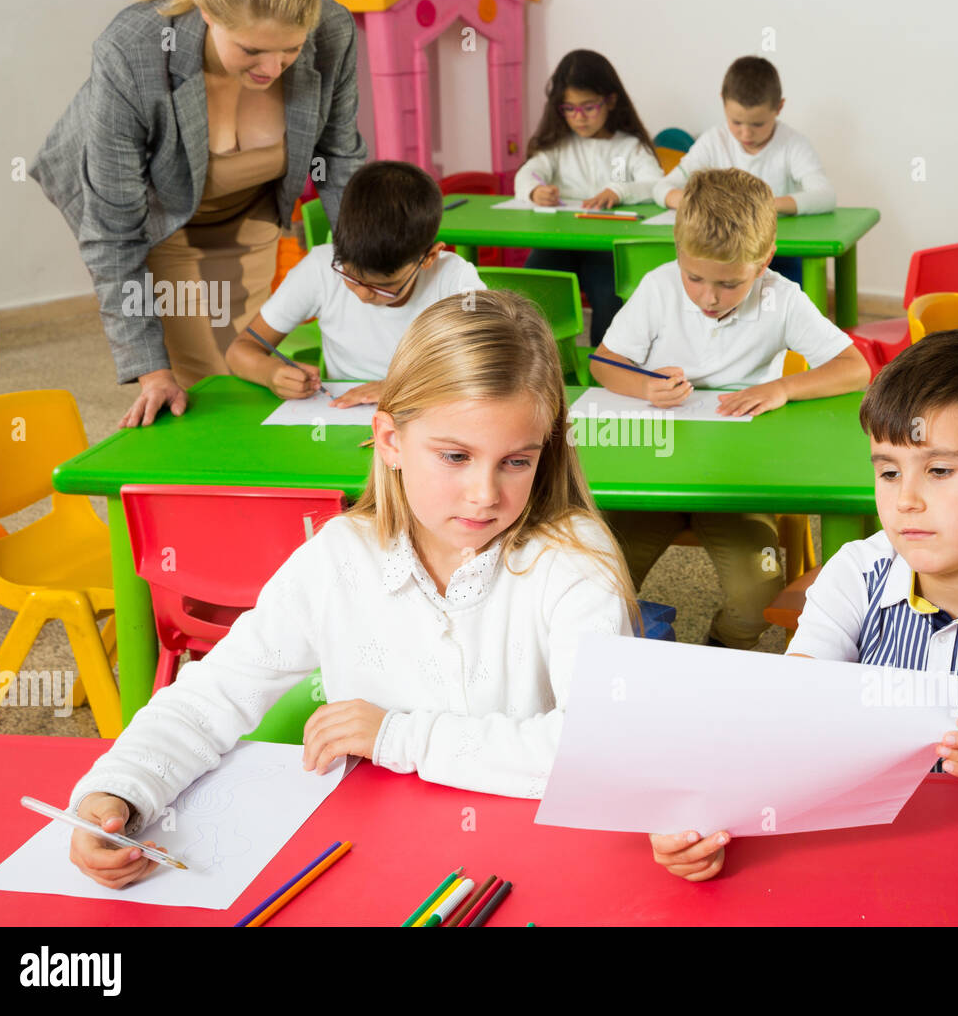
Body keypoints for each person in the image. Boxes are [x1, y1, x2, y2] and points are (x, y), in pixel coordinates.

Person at [66, 291, 637, 888]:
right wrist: (121, 789)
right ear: (390, 440)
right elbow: (212, 694)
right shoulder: (339, 556)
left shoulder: (574, 558)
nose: (483, 493)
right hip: (376, 864)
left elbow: (595, 748)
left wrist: (395, 735)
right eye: (454, 455)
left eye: (515, 462)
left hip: (536, 867)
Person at [652, 329, 958, 881]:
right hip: (867, 862)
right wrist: (705, 818)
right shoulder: (856, 573)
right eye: (889, 471)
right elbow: (786, 716)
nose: (905, 499)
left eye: (939, 470)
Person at [30, 0, 367, 428]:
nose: (272, 70)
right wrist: (150, 371)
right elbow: (114, 231)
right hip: (163, 219)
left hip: (252, 214)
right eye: (251, 49)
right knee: (203, 383)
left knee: (250, 368)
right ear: (208, 12)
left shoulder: (332, 28)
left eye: (290, 50)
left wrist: (368, 261)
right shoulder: (135, 51)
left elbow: (340, 161)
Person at [591, 168, 868, 651]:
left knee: (760, 591)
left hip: (739, 489)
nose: (708, 297)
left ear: (764, 262)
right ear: (677, 252)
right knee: (592, 577)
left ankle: (716, 651)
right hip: (653, 478)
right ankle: (622, 658)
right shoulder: (659, 288)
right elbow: (604, 364)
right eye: (694, 277)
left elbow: (854, 368)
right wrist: (645, 387)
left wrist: (784, 386)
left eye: (729, 283)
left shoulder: (781, 299)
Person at [226, 161, 483, 408]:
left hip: (430, 417)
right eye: (349, 276)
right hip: (344, 418)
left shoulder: (454, 279)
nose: (362, 293)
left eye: (383, 286)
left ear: (428, 257)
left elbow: (493, 362)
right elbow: (241, 350)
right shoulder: (320, 268)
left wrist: (400, 388)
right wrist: (271, 373)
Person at [514, 49, 663, 344]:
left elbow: (656, 184)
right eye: (569, 109)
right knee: (531, 290)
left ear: (610, 101)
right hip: (559, 243)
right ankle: (541, 361)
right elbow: (526, 173)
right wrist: (535, 190)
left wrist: (618, 190)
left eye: (588, 107)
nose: (578, 118)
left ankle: (604, 366)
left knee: (610, 297)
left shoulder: (630, 147)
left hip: (607, 248)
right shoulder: (557, 146)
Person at [652, 56, 834, 284]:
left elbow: (825, 195)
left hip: (780, 255)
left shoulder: (792, 144)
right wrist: (699, 204)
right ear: (723, 103)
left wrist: (759, 206)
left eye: (757, 124)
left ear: (779, 107)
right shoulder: (713, 141)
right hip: (723, 257)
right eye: (736, 122)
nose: (746, 134)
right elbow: (662, 188)